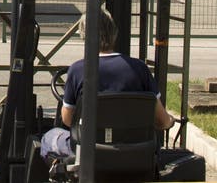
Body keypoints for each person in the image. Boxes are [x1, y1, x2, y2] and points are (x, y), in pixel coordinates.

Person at [40, 8, 175, 162]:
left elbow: (68, 119)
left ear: (84, 36)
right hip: (135, 151)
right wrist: (171, 120)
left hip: (89, 151)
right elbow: (162, 121)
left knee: (49, 137)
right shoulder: (140, 69)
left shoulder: (77, 70)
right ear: (114, 33)